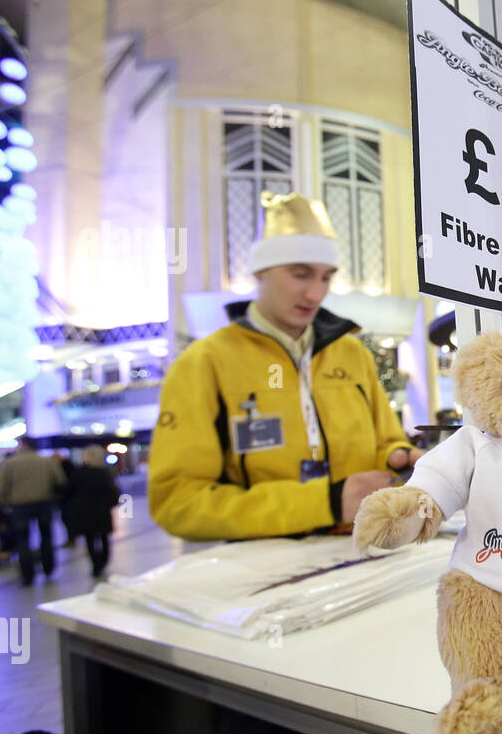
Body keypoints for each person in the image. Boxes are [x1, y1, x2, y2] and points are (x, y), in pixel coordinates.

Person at [149, 191, 422, 541]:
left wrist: (396, 456)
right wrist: (324, 502)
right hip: (262, 568)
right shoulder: (205, 364)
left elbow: (385, 441)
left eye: (326, 277)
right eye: (300, 274)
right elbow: (177, 501)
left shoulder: (352, 354)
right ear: (260, 272)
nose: (315, 294)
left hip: (361, 550)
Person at [0, 436, 67, 587]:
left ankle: (27, 574)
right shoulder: (47, 461)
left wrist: (7, 502)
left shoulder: (10, 463)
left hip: (19, 505)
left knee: (22, 539)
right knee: (46, 536)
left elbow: (0, 488)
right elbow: (61, 481)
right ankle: (48, 567)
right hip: (44, 502)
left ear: (22, 445)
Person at [64, 445, 120, 579]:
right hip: (102, 510)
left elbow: (69, 492)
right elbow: (112, 491)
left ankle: (95, 565)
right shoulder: (105, 473)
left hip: (85, 511)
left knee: (90, 539)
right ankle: (103, 561)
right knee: (104, 537)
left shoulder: (79, 473)